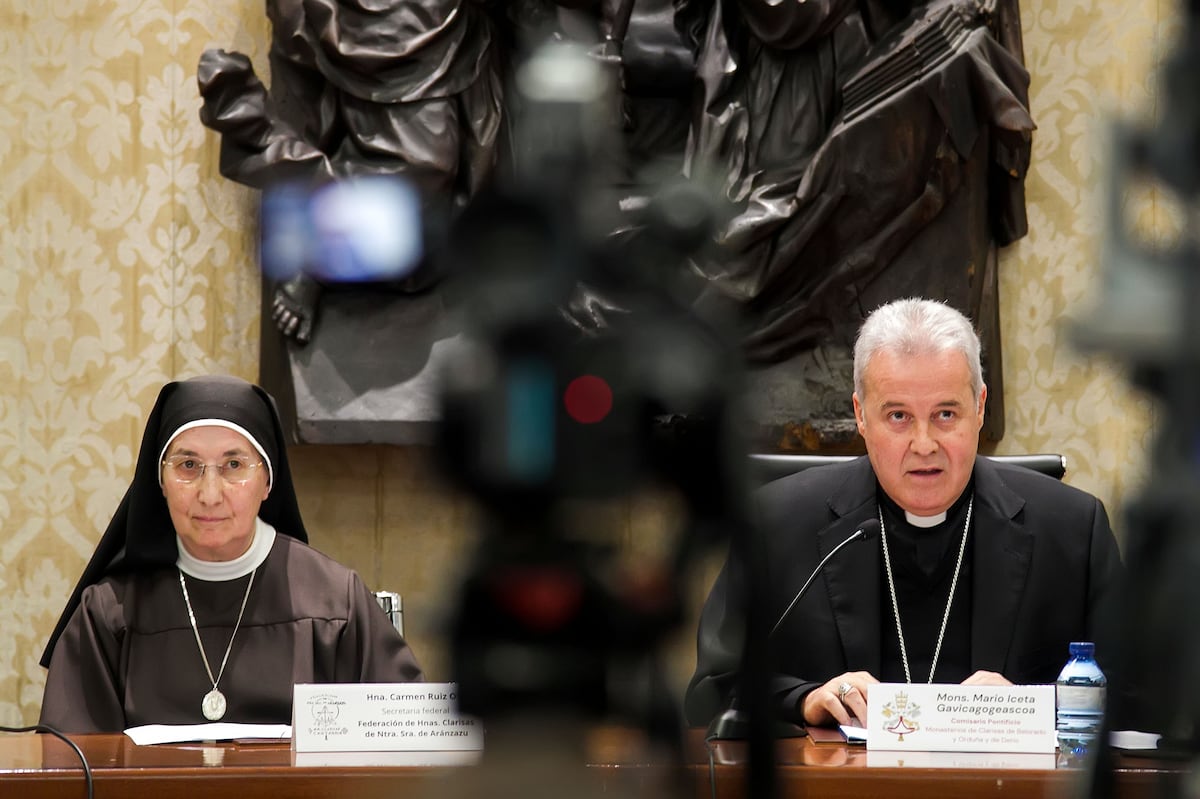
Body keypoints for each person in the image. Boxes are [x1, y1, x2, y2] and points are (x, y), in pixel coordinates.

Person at [684, 298, 1123, 728]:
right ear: (860, 414)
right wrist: (805, 700)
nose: (924, 444)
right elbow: (710, 693)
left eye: (945, 414)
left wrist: (1029, 710)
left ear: (979, 407)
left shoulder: (1072, 531)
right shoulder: (775, 526)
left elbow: (1139, 700)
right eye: (898, 416)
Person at [39, 375, 423, 733]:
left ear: (268, 480)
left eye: (234, 465)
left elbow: (402, 747)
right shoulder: (109, 612)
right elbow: (76, 766)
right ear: (160, 481)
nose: (209, 494)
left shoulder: (335, 601)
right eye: (188, 466)